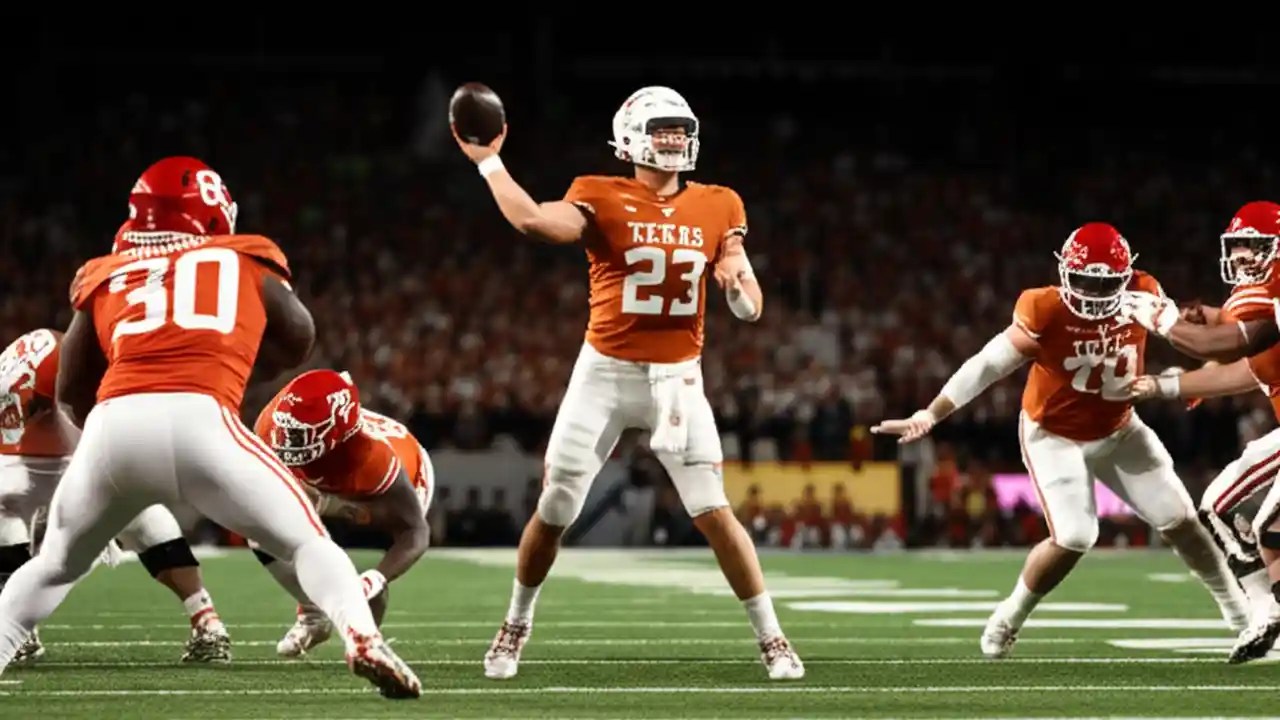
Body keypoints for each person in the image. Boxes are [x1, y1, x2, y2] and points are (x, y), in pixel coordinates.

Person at [0, 156, 420, 698]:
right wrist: (231, 362)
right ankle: (362, 636)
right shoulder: (245, 256)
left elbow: (72, 393)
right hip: (205, 416)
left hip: (115, 423)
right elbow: (300, 337)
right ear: (216, 214)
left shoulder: (106, 271)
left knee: (54, 564)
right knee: (308, 542)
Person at [454, 86, 803, 680]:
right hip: (606, 373)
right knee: (557, 505)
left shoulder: (719, 203)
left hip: (677, 377)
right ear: (631, 138)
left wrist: (737, 285)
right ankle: (515, 622)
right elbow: (536, 222)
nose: (674, 141)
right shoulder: (597, 191)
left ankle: (772, 637)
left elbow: (751, 303)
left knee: (715, 511)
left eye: (680, 130)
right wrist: (489, 161)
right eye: (663, 130)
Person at [873, 222, 1247, 659]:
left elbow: (1195, 333)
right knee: (1074, 535)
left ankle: (1240, 616)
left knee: (1181, 519)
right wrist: (931, 412)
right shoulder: (1044, 307)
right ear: (1063, 271)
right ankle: (1009, 616)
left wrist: (1210, 367)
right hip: (1054, 435)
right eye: (1082, 278)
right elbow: (989, 364)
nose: (1089, 291)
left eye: (1102, 282)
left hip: (1119, 427)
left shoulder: (1145, 292)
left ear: (1126, 278)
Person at [0, 328, 231, 664]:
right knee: (140, 511)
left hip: (23, 454)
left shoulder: (43, 354)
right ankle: (206, 621)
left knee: (7, 519)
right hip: (46, 446)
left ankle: (17, 629)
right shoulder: (94, 359)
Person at [252, 369, 432, 657]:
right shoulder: (270, 425)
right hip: (327, 484)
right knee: (259, 531)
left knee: (364, 589)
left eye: (301, 434)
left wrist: (376, 578)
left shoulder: (371, 460)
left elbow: (416, 532)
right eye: (288, 429)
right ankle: (313, 614)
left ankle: (367, 645)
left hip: (384, 492)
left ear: (337, 433)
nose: (287, 440)